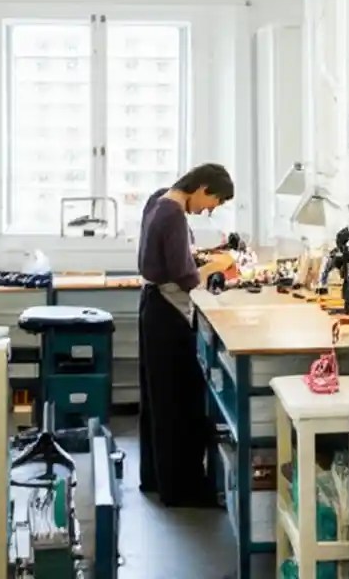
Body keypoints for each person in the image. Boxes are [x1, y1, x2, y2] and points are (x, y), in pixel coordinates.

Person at [137, 163, 235, 507]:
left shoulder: (157, 201)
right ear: (202, 186)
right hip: (167, 313)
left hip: (151, 307)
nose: (208, 209)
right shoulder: (174, 214)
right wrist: (219, 269)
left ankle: (156, 478)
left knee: (158, 399)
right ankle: (185, 489)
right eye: (212, 201)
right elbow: (183, 275)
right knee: (180, 401)